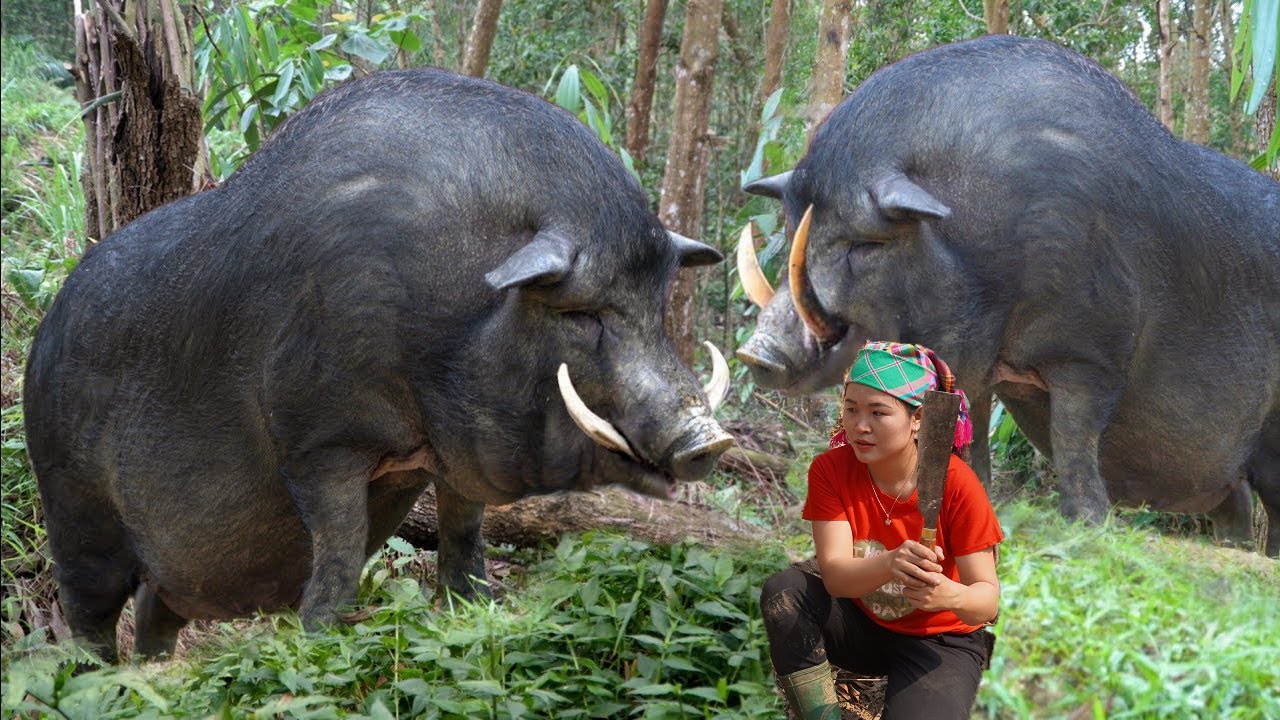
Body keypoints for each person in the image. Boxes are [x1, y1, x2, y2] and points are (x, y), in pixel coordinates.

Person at [760, 341, 1002, 720]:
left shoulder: (956, 484)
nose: (860, 426)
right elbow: (837, 578)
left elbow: (986, 601)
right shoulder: (831, 470)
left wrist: (948, 594)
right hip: (864, 627)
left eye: (878, 412)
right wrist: (892, 562)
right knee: (785, 593)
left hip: (940, 640)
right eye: (851, 409)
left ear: (918, 418)